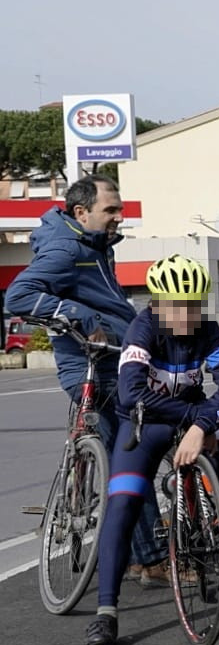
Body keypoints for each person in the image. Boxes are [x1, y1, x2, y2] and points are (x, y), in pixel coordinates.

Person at [83, 256, 219, 645]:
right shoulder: (143, 329)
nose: (186, 314)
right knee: (122, 503)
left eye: (193, 304)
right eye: (177, 305)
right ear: (157, 303)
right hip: (144, 422)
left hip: (193, 417)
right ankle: (106, 612)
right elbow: (131, 394)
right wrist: (198, 419)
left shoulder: (208, 330)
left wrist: (204, 425)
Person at [6, 174, 165, 583]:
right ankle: (151, 558)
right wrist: (85, 318)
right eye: (110, 210)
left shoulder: (94, 246)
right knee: (134, 455)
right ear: (81, 212)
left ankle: (137, 553)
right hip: (94, 368)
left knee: (130, 448)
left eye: (119, 208)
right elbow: (18, 296)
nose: (119, 216)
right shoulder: (67, 248)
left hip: (112, 361)